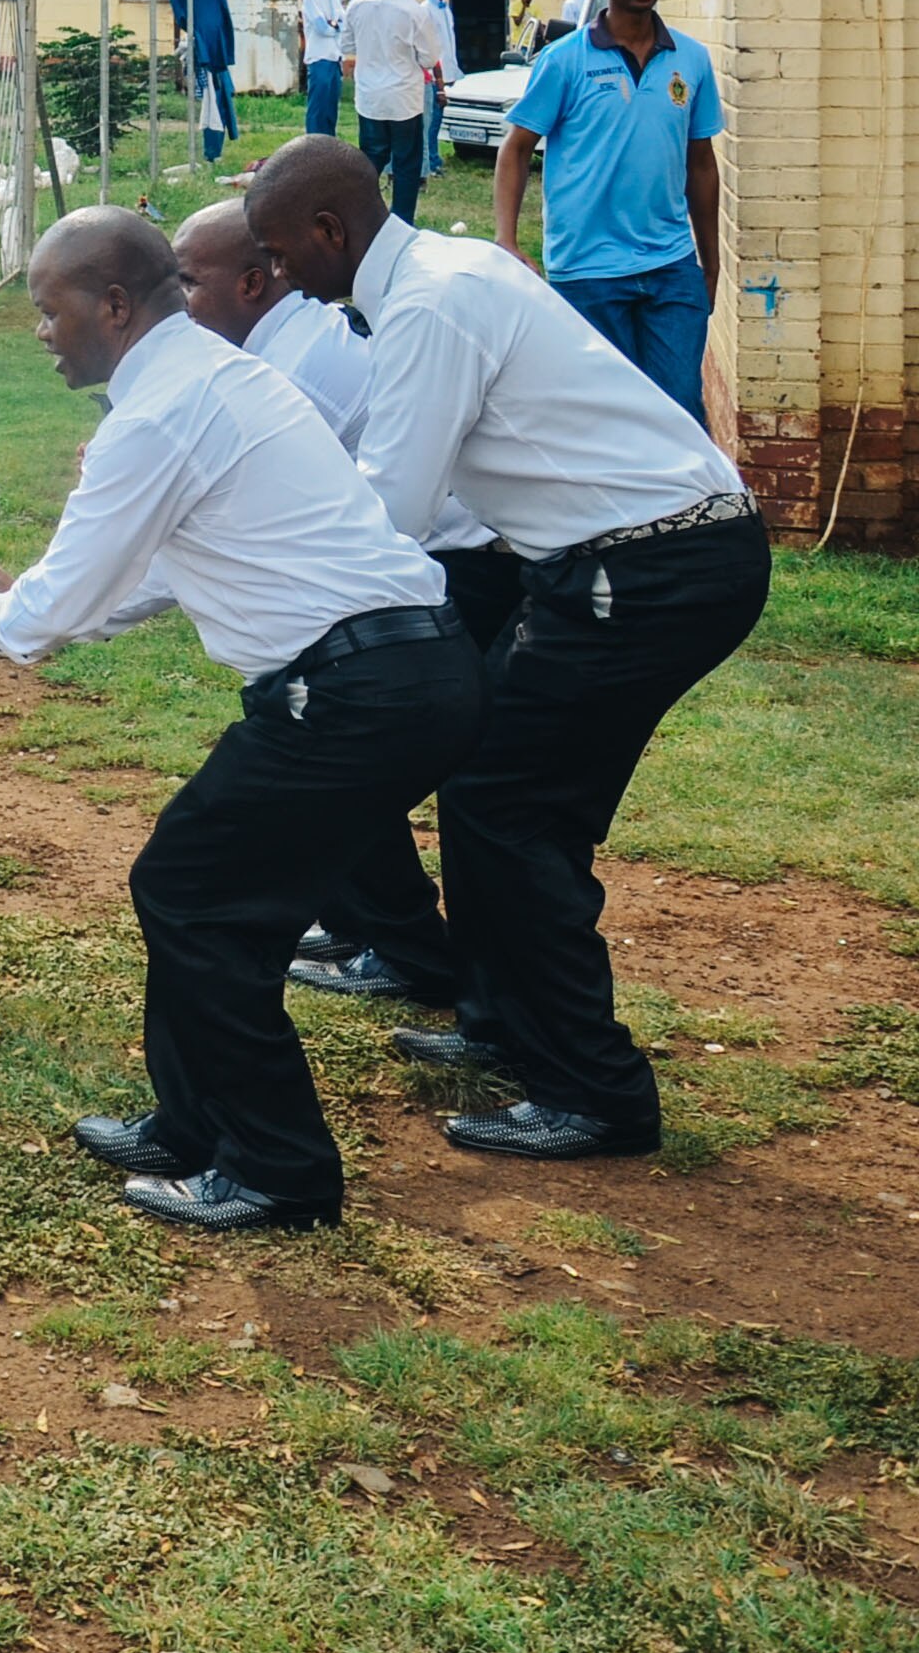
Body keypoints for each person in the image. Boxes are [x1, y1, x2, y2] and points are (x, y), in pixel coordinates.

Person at [0, 209, 481, 1232]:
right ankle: (195, 1125)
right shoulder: (217, 379)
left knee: (197, 896)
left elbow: (56, 610)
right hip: (397, 670)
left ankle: (278, 1170)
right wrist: (25, 604)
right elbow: (155, 570)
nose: (42, 331)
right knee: (207, 895)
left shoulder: (161, 412)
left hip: (355, 688)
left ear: (113, 305)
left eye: (50, 310)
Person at [250, 136, 765, 1162]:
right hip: (632, 561)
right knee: (491, 786)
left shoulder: (431, 305)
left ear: (328, 232)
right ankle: (500, 1019)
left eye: (276, 252)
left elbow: (388, 505)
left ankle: (593, 1091)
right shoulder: (441, 275)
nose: (275, 276)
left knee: (510, 808)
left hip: (650, 569)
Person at [171, 200, 490, 1009]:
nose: (174, 305)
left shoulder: (287, 371)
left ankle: (408, 947)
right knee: (310, 714)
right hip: (422, 558)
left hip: (450, 564)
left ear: (251, 283)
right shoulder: (285, 346)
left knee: (323, 729)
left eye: (186, 284)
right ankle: (366, 919)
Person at [493, 0, 723, 425]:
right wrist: (506, 240)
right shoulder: (564, 60)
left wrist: (710, 262)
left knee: (680, 410)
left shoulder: (692, 59)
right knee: (604, 417)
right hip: (587, 269)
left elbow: (701, 164)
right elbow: (515, 149)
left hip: (671, 266)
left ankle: (687, 504)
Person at [343, 0, 438, 224]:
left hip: (370, 99)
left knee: (371, 159)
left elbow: (347, 46)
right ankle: (401, 223)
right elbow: (429, 59)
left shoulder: (357, 4)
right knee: (406, 164)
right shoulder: (414, 11)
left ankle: (363, 218)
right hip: (403, 100)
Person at [166, 0, 239, 162]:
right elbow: (225, 20)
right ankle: (213, 151)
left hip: (208, 50)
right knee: (216, 103)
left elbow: (179, 8)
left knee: (214, 103)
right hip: (216, 50)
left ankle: (213, 151)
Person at [299, 0, 348, 139]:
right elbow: (322, 28)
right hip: (319, 58)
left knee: (331, 107)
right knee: (318, 106)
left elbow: (344, 24)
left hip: (335, 57)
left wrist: (334, 24)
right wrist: (335, 25)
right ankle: (313, 143)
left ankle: (329, 143)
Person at [420, 0, 458, 174]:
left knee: (439, 118)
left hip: (448, 71)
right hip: (435, 73)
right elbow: (430, 45)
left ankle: (433, 158)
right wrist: (438, 77)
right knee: (432, 121)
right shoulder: (425, 9)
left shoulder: (445, 9)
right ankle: (432, 161)